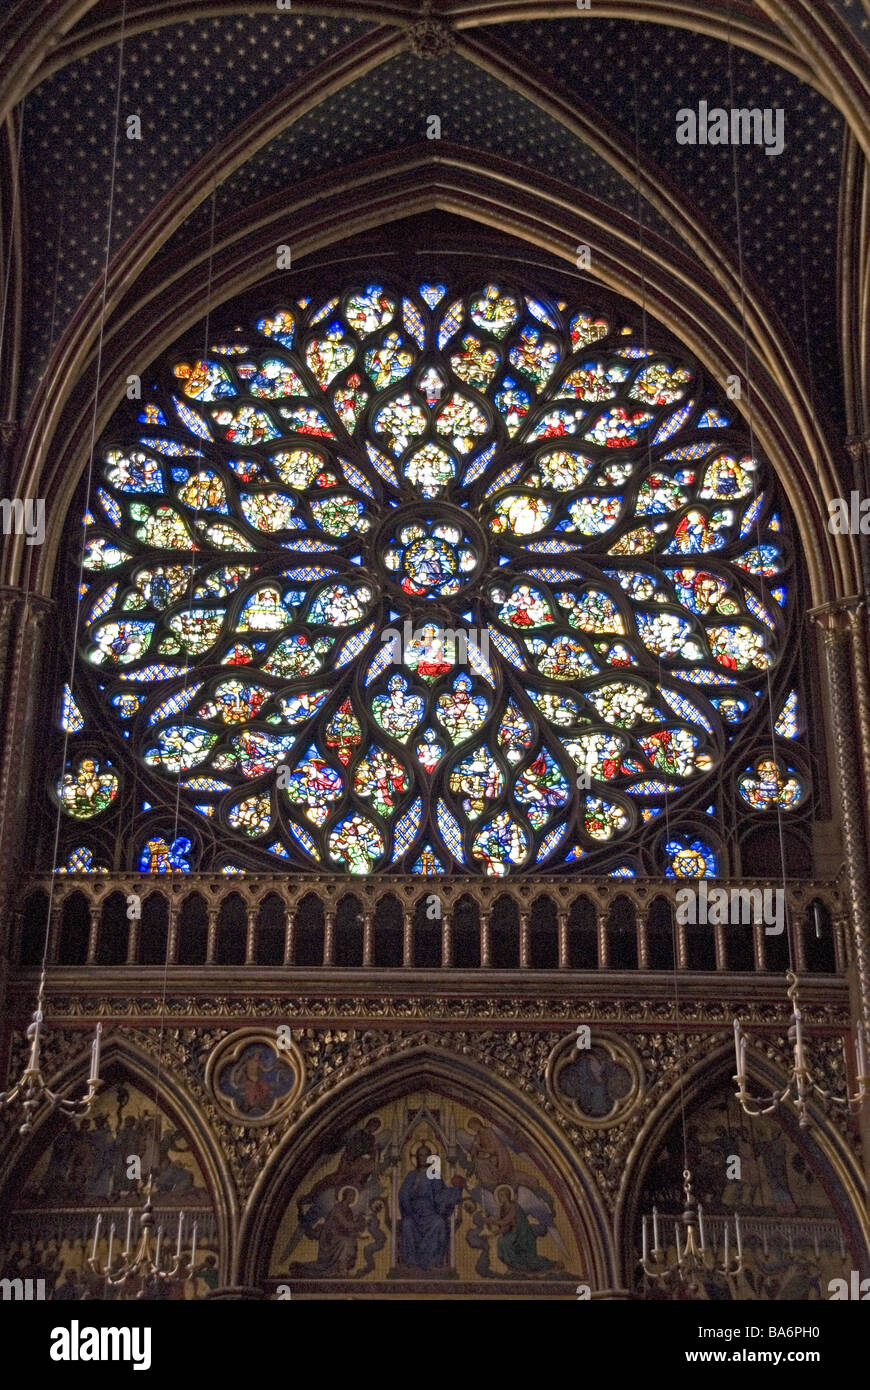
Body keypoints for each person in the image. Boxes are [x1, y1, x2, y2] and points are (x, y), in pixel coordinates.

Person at [398, 1144, 463, 1272]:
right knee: (407, 1224)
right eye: (420, 1155)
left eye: (426, 1155)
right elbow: (403, 1195)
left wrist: (456, 1190)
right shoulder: (411, 1175)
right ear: (416, 1157)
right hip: (414, 1212)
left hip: (430, 1212)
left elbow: (440, 1196)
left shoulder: (434, 1175)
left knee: (439, 1223)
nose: (423, 1158)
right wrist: (414, 1189)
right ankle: (412, 1261)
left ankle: (433, 1260)